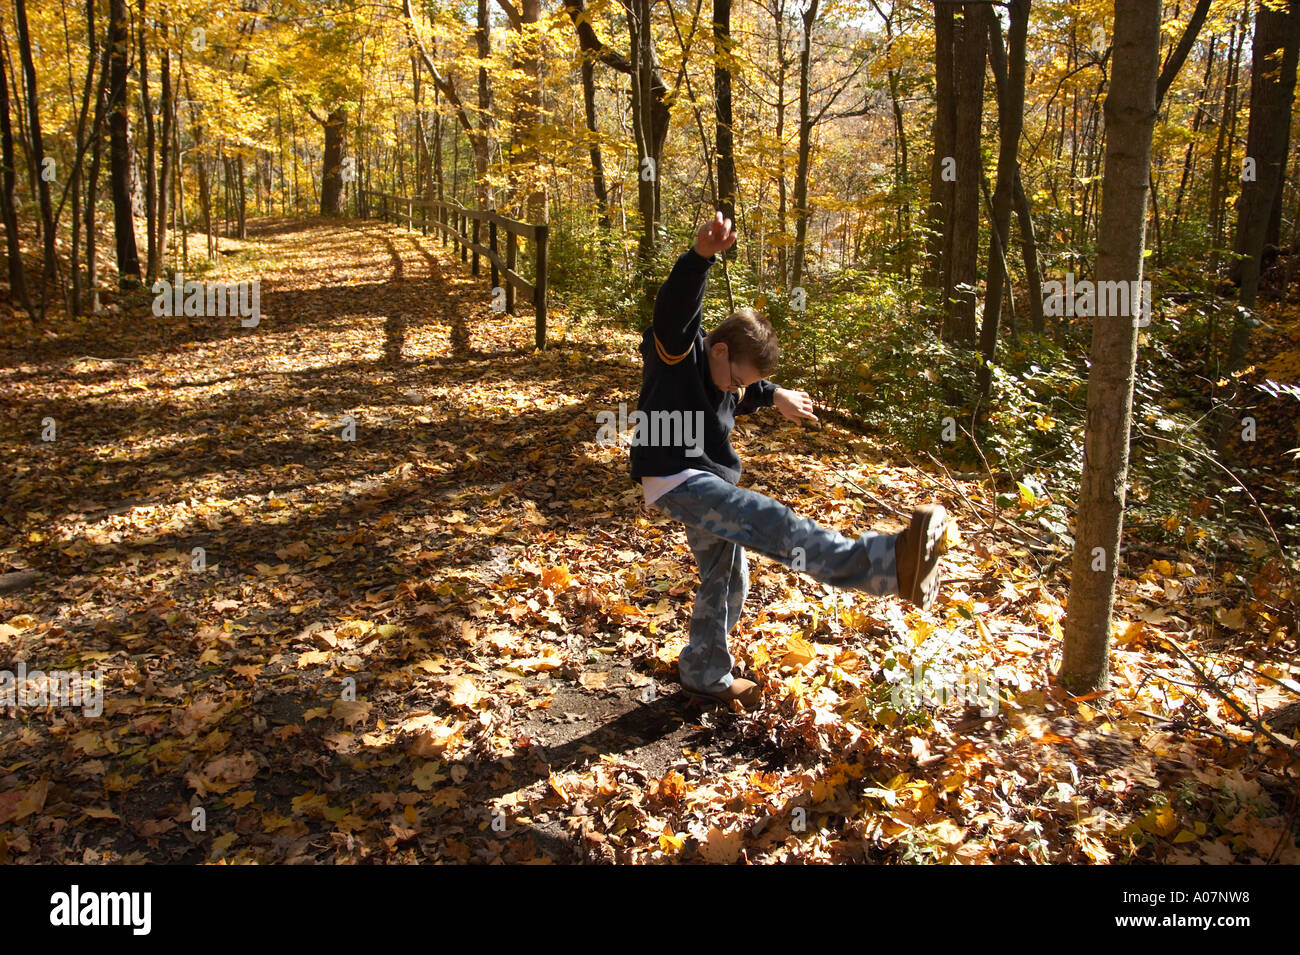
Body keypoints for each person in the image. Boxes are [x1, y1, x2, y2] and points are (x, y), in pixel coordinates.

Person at [630, 212, 948, 710]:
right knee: (772, 522)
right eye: (736, 380)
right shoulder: (677, 354)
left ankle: (704, 673)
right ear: (717, 350)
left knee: (727, 574)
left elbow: (752, 387)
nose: (738, 392)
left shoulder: (733, 378)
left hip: (700, 479)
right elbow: (673, 310)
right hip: (675, 474)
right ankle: (887, 566)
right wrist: (700, 258)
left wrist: (774, 394)